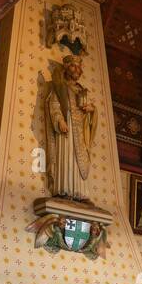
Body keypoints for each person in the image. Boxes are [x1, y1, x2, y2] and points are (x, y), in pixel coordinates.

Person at [45, 54, 97, 200]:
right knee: (66, 157)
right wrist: (60, 120)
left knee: (79, 159)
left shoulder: (81, 90)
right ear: (67, 68)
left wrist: (92, 110)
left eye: (79, 66)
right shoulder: (60, 86)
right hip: (66, 129)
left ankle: (80, 193)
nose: (77, 69)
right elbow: (54, 105)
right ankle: (64, 190)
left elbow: (90, 114)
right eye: (73, 66)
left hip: (80, 131)